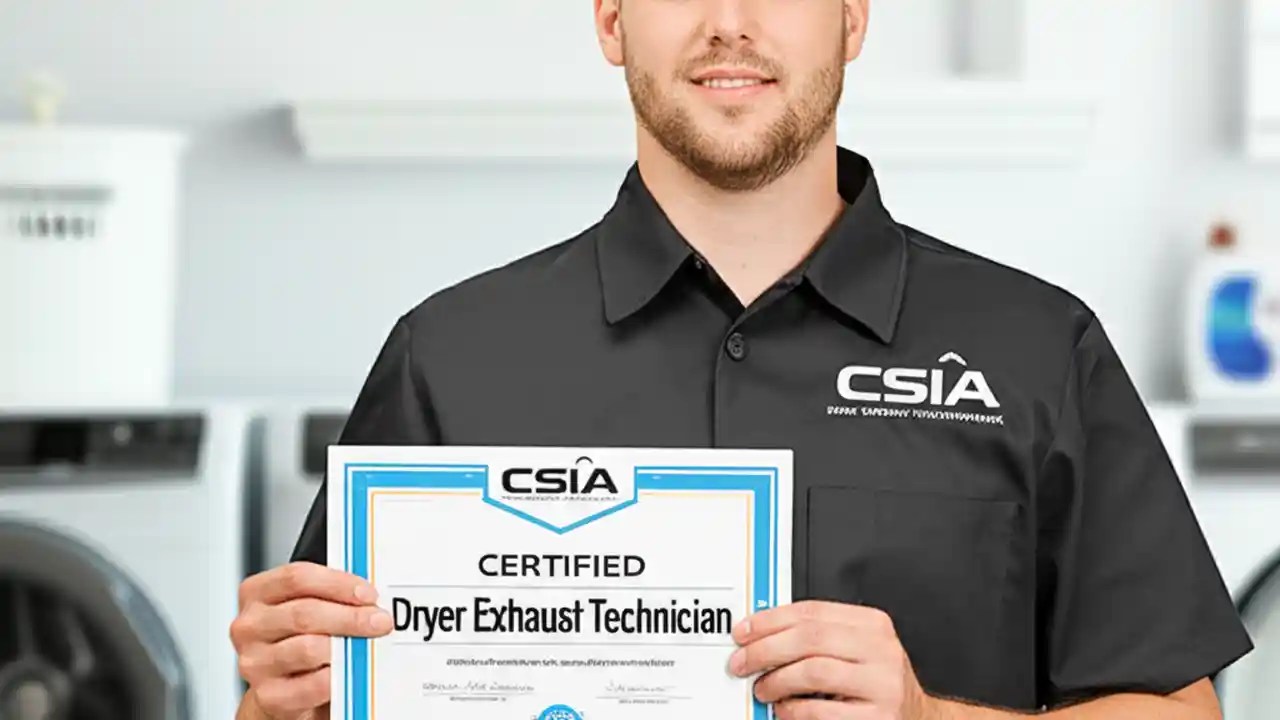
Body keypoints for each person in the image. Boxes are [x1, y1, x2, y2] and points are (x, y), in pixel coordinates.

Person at [229, 1, 1253, 718]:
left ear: (851, 18)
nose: (729, 20)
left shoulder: (1033, 348)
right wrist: (275, 705)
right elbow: (321, 699)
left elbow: (1178, 709)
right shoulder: (449, 358)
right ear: (608, 20)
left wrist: (926, 719)